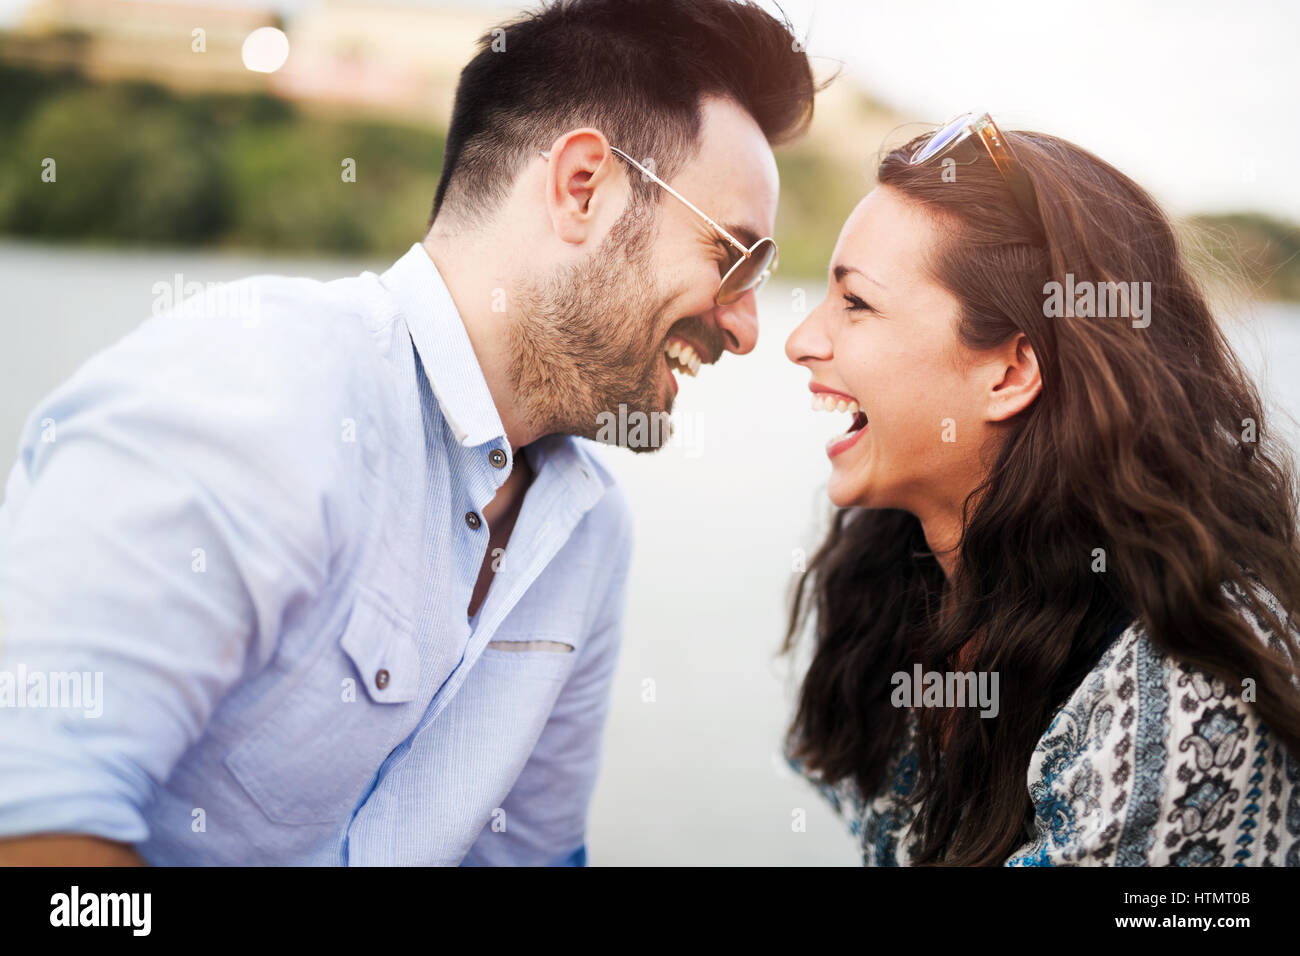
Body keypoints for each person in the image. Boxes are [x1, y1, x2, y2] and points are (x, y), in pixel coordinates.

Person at [0, 0, 819, 865]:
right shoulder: (261, 385)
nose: (747, 327)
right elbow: (31, 813)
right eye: (734, 256)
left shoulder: (588, 535)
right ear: (584, 187)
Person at [782, 113, 1300, 866]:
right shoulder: (898, 580)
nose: (801, 340)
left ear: (1011, 371)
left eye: (855, 303)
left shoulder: (1184, 703)